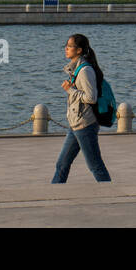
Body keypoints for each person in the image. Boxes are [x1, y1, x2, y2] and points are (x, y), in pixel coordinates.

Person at [51, 33, 112, 183]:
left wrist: (70, 90)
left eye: (70, 46)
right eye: (66, 45)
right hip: (76, 124)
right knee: (62, 164)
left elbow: (91, 97)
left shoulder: (85, 71)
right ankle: (53, 194)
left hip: (85, 125)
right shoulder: (76, 69)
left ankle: (109, 191)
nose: (66, 48)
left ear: (79, 50)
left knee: (95, 166)